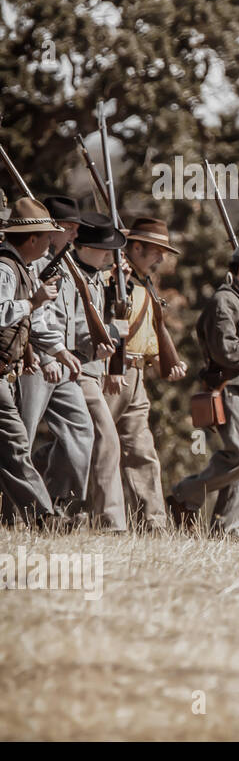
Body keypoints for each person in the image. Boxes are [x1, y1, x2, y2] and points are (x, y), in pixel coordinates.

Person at [170, 241, 239, 536]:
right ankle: (185, 493)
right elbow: (224, 351)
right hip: (229, 387)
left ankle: (228, 526)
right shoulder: (224, 302)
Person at [105, 217, 187, 529]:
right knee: (96, 444)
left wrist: (160, 358)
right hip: (112, 371)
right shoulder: (114, 276)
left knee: (142, 450)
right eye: (156, 250)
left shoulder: (145, 283)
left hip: (136, 374)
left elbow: (149, 329)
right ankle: (65, 507)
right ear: (135, 247)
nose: (162, 258)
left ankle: (154, 522)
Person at [18, 195, 94, 519]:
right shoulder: (28, 264)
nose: (75, 235)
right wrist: (49, 358)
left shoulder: (67, 266)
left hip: (62, 363)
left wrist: (86, 349)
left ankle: (58, 505)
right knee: (22, 436)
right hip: (35, 362)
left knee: (82, 430)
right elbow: (31, 318)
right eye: (71, 228)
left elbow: (71, 320)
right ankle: (16, 514)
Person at [0, 197, 66, 528]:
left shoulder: (18, 269)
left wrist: (54, 351)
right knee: (15, 445)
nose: (49, 243)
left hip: (5, 375)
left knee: (14, 447)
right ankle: (45, 516)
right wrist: (33, 301)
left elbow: (27, 322)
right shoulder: (4, 269)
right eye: (46, 237)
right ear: (32, 239)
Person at [70, 212, 129, 531]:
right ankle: (110, 519)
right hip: (78, 365)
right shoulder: (72, 275)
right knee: (107, 437)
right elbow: (76, 323)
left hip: (92, 367)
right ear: (84, 246)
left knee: (73, 443)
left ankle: (64, 507)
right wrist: (101, 339)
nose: (110, 254)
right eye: (104, 247)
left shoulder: (97, 277)